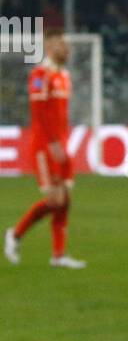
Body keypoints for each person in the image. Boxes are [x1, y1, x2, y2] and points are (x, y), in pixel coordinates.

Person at [4, 27, 86, 270]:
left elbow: (60, 114)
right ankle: (15, 234)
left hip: (61, 144)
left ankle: (59, 255)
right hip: (45, 145)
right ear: (49, 47)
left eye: (66, 43)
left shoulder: (64, 76)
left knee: (65, 200)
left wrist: (62, 142)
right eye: (59, 43)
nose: (65, 47)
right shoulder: (39, 75)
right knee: (54, 199)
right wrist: (52, 143)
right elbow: (39, 114)